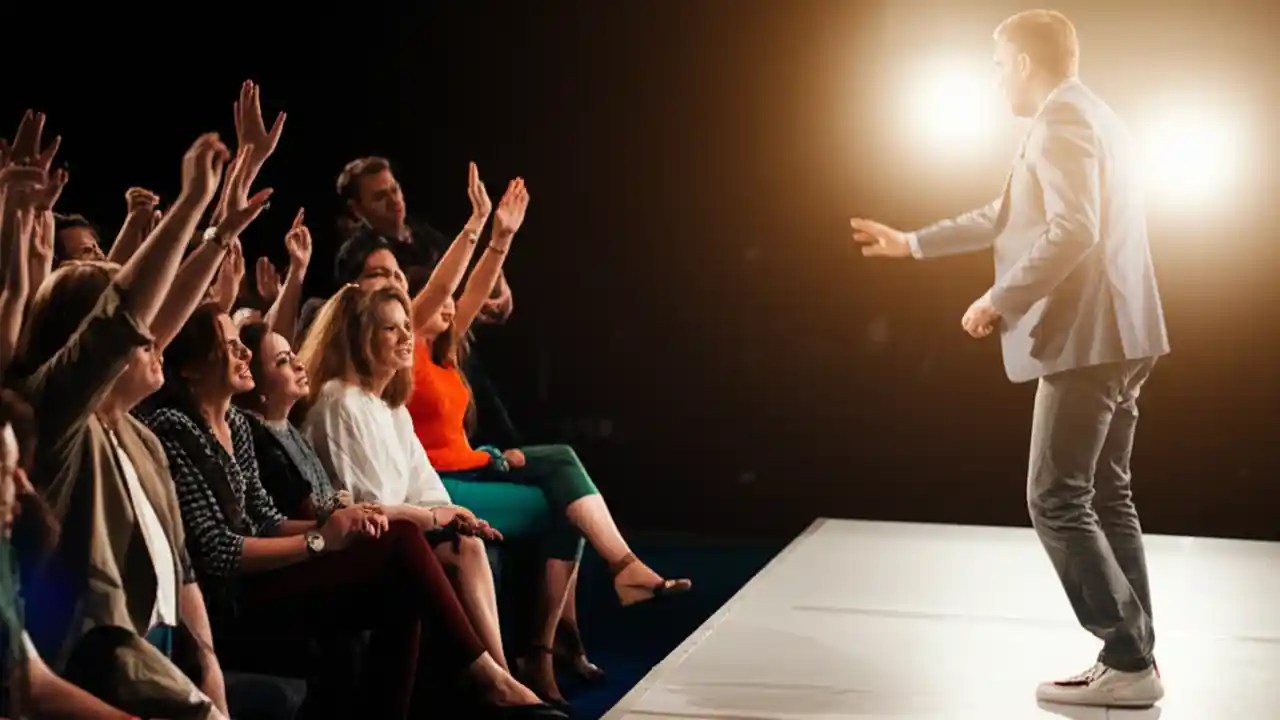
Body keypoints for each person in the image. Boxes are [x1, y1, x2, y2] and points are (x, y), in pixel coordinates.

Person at [850, 9, 1168, 709]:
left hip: (1088, 335)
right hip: (1126, 332)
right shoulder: (1095, 115)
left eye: (997, 66)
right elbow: (1008, 216)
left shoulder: (1060, 121)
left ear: (1024, 63)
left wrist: (998, 298)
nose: (995, 81)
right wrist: (914, 242)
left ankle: (1127, 658)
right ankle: (1135, 657)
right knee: (1105, 496)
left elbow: (1075, 230)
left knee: (1056, 497)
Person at [142, 304, 565, 720]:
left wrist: (342, 524)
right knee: (402, 542)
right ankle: (492, 682)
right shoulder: (173, 429)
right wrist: (321, 539)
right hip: (229, 601)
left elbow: (267, 521)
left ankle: (483, 685)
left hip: (267, 573)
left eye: (240, 343)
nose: (244, 352)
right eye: (228, 345)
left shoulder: (235, 423)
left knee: (401, 572)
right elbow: (217, 553)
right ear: (191, 369)